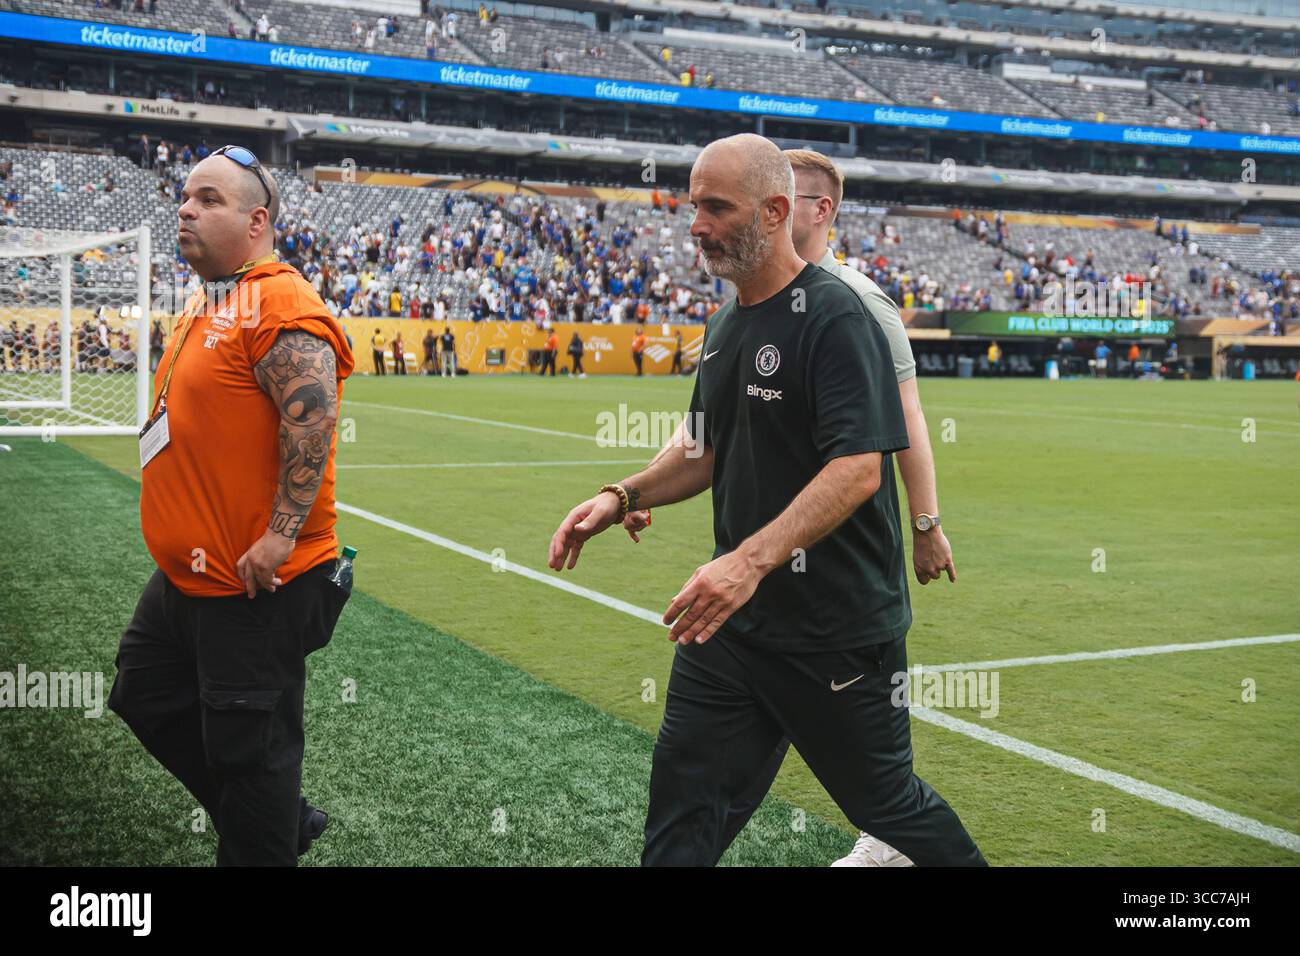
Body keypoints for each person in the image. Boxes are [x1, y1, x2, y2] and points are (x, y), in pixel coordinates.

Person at [547, 133, 985, 868]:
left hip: (834, 631)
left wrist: (748, 561)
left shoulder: (837, 317)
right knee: (682, 813)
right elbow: (699, 449)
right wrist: (621, 495)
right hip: (730, 628)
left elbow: (857, 471)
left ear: (776, 211)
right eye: (694, 207)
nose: (697, 225)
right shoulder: (724, 326)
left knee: (886, 805)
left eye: (717, 208)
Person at [107, 146, 356, 866]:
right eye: (185, 196)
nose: (185, 207)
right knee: (144, 692)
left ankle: (265, 828)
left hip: (255, 584)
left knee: (251, 755)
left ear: (256, 221)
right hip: (190, 575)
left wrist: (281, 536)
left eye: (208, 199)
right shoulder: (208, 295)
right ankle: (277, 819)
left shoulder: (279, 300)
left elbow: (312, 418)